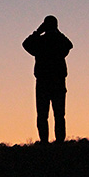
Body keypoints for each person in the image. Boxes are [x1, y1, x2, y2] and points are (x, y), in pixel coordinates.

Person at [22, 16, 73, 144]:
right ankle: (59, 141)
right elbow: (69, 45)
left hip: (43, 81)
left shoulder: (40, 41)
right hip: (57, 80)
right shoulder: (59, 41)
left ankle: (44, 141)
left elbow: (26, 44)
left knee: (42, 114)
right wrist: (58, 32)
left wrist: (38, 31)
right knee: (59, 114)